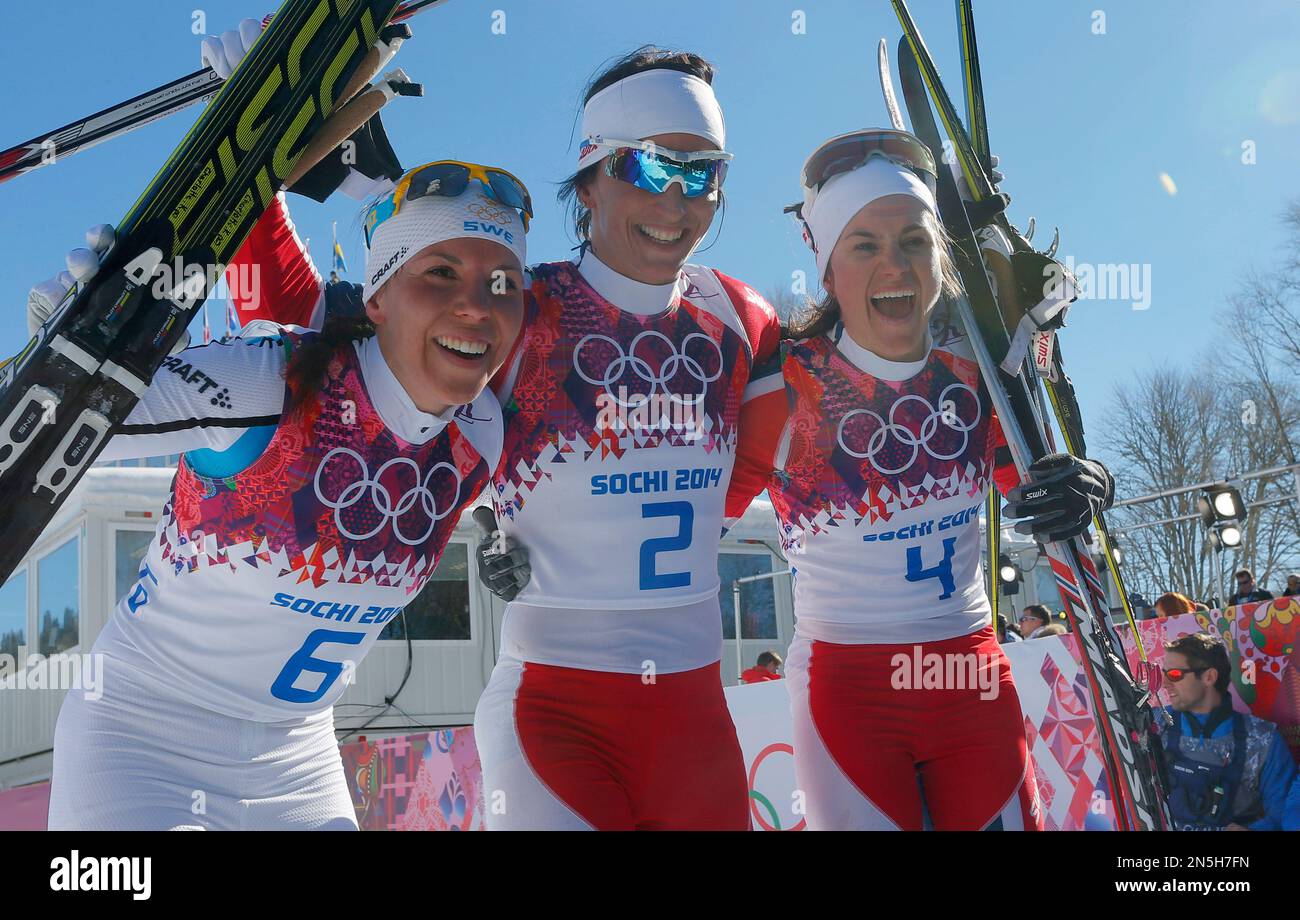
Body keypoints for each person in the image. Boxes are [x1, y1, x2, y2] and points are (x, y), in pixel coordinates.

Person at [203, 27, 782, 828]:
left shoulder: (745, 320)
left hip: (695, 719)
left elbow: (779, 456)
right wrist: (246, 166)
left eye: (702, 174)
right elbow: (304, 335)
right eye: (649, 165)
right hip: (557, 711)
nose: (676, 201)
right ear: (590, 178)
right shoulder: (514, 306)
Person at [35, 165, 531, 830]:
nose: (475, 304)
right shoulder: (264, 382)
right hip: (141, 739)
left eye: (502, 283)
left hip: (295, 759)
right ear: (377, 298)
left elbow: (473, 494)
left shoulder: (480, 434)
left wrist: (507, 537)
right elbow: (38, 436)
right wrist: (62, 358)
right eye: (440, 272)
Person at [727, 128, 1117, 830]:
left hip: (966, 672)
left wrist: (1087, 476)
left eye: (914, 241)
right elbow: (693, 514)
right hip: (849, 688)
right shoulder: (783, 389)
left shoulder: (975, 372)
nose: (894, 267)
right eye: (865, 246)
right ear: (827, 269)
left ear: (942, 256)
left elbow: (1032, 486)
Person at [1160, 633, 1295, 830]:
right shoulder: (1152, 727)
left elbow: (1286, 815)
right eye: (1163, 673)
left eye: (1174, 675)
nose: (1164, 683)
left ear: (1209, 677)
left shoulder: (1262, 739)